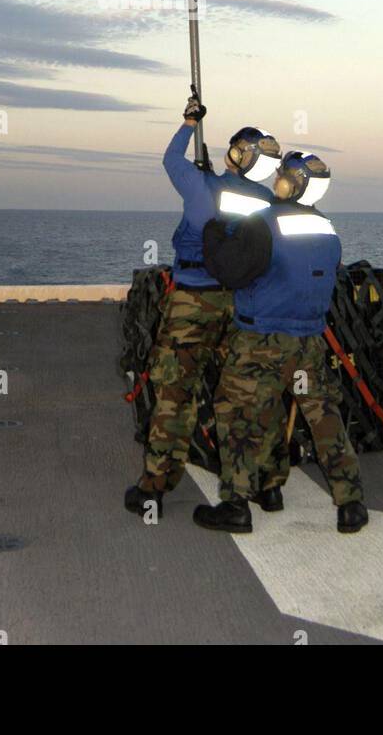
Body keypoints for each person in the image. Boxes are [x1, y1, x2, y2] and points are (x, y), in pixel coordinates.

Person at [193, 151, 369, 536]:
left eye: (283, 175)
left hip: (261, 341)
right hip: (309, 342)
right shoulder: (327, 229)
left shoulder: (264, 225)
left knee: (239, 414)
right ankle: (350, 503)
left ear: (296, 183)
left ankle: (237, 504)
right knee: (323, 417)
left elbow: (229, 271)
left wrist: (212, 230)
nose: (276, 180)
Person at [124, 94, 280, 520]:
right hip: (241, 305)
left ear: (234, 153)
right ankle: (267, 485)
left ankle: (153, 490)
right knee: (242, 397)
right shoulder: (265, 201)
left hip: (192, 301)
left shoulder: (200, 185)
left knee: (176, 392)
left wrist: (190, 121)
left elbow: (170, 158)